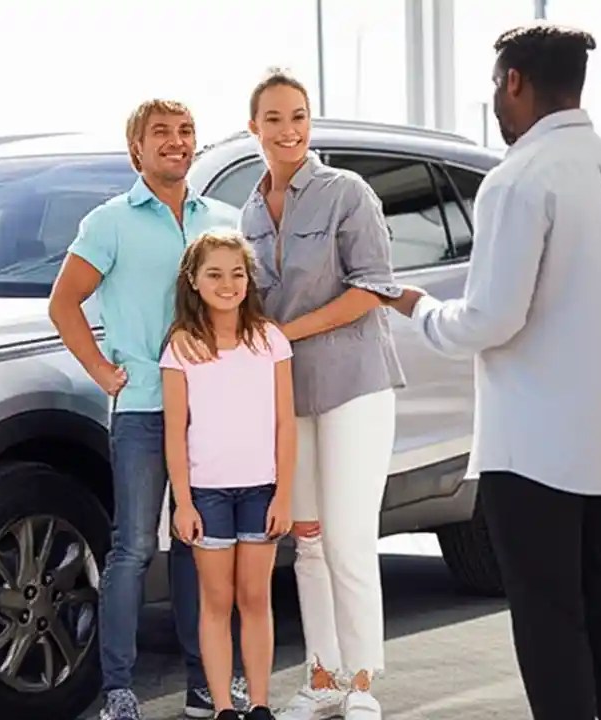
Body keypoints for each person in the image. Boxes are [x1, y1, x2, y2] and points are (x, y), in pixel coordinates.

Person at [385, 24, 601, 720]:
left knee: (548, 619)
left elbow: (488, 319)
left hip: (533, 449)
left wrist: (419, 310)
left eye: (495, 85)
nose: (496, 101)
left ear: (514, 81)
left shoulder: (517, 179)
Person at [173, 68, 403, 720]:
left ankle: (363, 681)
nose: (288, 130)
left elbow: (373, 288)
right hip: (289, 396)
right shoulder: (248, 212)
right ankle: (323, 677)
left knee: (350, 538)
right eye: (273, 119)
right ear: (254, 128)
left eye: (297, 116)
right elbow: (243, 303)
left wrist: (284, 333)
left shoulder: (346, 193)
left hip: (354, 385)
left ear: (310, 121)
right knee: (308, 537)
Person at [48, 99, 247, 720]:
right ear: (136, 148)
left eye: (185, 131)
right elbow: (63, 304)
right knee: (133, 547)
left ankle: (205, 684)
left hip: (211, 413)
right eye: (161, 132)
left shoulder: (222, 219)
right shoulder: (109, 222)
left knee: (198, 545)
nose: (176, 141)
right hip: (142, 409)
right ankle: (118, 689)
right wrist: (102, 371)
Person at [161, 229, 296, 720]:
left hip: (261, 490)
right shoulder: (181, 347)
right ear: (194, 281)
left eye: (237, 274)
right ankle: (222, 706)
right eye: (215, 274)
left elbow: (285, 424)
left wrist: (283, 495)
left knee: (255, 598)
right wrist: (184, 503)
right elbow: (175, 431)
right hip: (208, 494)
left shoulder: (270, 340)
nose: (227, 284)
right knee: (216, 602)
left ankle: (259, 703)